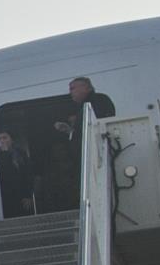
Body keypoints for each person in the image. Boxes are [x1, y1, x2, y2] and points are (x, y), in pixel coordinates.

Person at [36, 74, 117, 214]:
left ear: (86, 87)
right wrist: (69, 131)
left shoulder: (97, 101)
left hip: (97, 156)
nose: (70, 92)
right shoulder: (85, 107)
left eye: (73, 88)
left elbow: (98, 126)